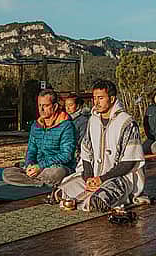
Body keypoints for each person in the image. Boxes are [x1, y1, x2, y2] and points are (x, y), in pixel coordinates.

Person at [59, 80, 146, 212]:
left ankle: (95, 197)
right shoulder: (93, 120)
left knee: (99, 201)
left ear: (112, 99)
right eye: (94, 98)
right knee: (60, 192)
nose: (96, 102)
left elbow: (129, 161)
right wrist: (88, 177)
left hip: (120, 178)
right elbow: (86, 152)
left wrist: (102, 179)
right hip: (95, 177)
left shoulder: (127, 123)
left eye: (101, 98)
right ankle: (86, 194)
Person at [2, 89, 76, 187]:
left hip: (57, 167)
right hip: (37, 167)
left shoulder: (66, 126)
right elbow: (31, 150)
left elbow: (66, 155)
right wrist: (29, 165)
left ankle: (32, 181)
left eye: (45, 106)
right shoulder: (36, 126)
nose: (41, 109)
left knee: (55, 173)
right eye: (39, 105)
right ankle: (37, 182)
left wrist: (41, 166)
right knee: (7, 173)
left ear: (55, 107)